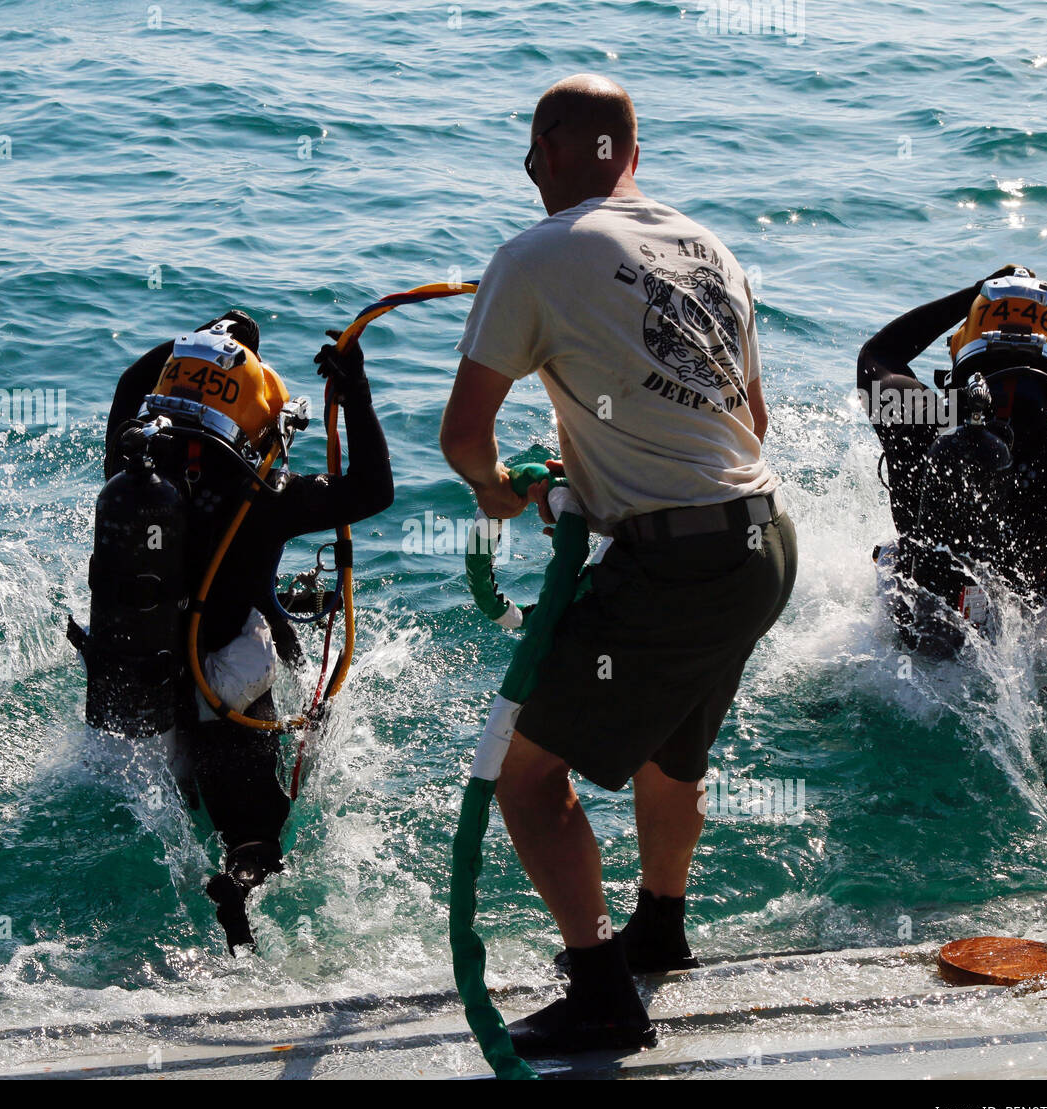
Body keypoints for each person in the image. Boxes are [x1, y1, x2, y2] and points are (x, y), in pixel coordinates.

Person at [441, 75, 797, 1055]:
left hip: (678, 565)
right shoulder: (711, 250)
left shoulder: (534, 255)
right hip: (762, 545)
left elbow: (465, 436)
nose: (525, 172)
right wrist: (594, 469)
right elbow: (744, 427)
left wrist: (501, 490)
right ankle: (660, 930)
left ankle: (601, 989)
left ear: (551, 150)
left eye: (528, 154)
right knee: (669, 750)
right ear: (630, 153)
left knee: (522, 777)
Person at [103, 309, 393, 952]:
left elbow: (130, 382)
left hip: (140, 674)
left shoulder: (132, 473)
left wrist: (203, 342)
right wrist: (357, 391)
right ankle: (238, 900)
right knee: (257, 836)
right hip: (222, 688)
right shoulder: (267, 495)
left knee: (165, 812)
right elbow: (374, 490)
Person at [858, 265, 1047, 658]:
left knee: (896, 554)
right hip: (1022, 642)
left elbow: (879, 353)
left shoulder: (917, 421)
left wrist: (975, 292)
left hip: (917, 628)